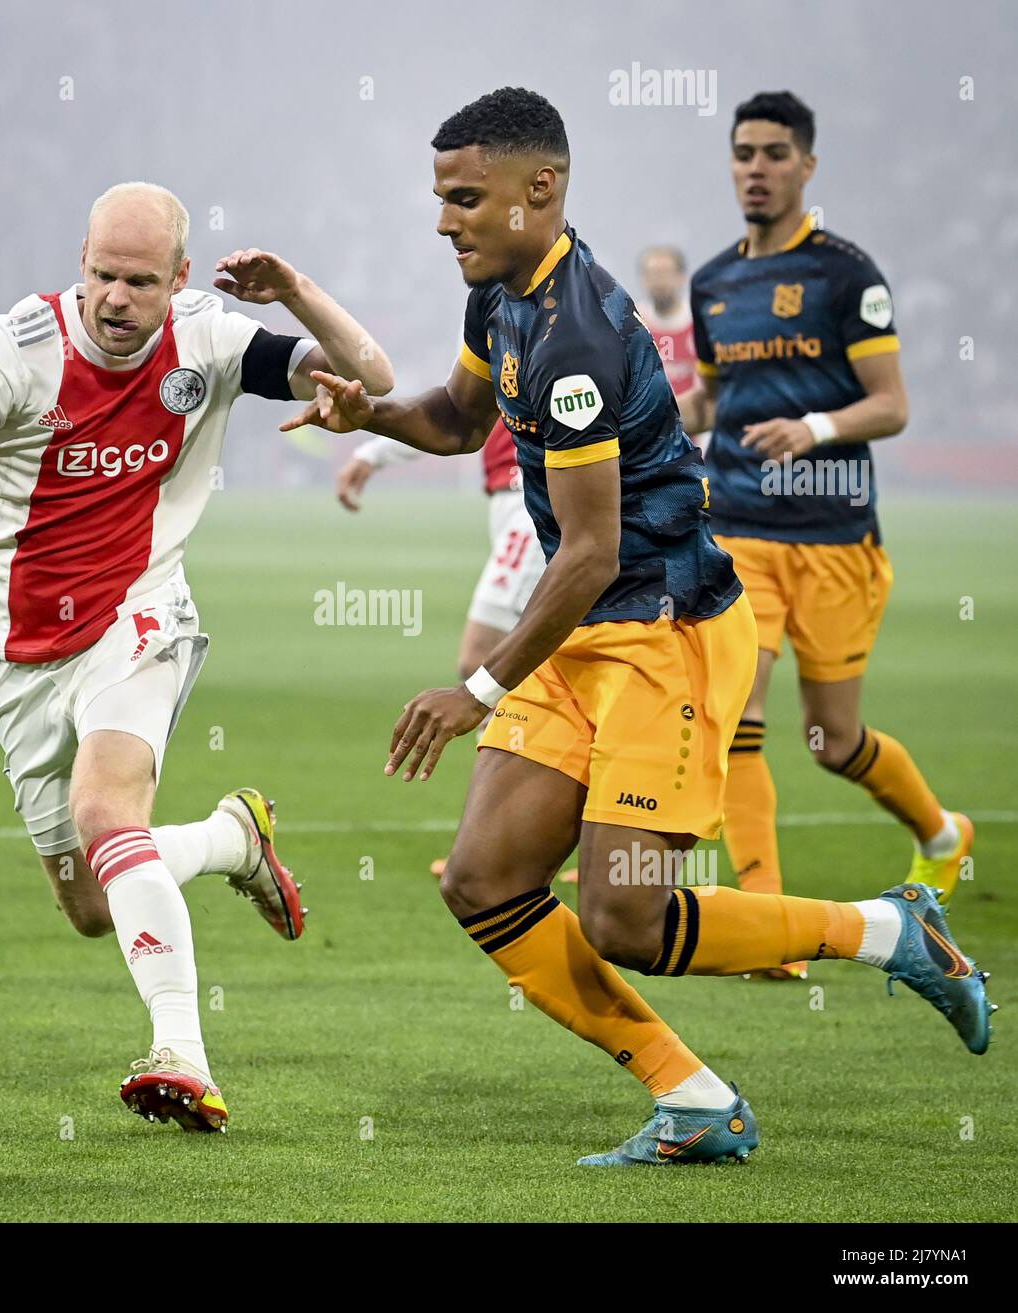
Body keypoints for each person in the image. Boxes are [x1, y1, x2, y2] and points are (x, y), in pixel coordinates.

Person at [283, 88, 993, 1166]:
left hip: (664, 633)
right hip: (582, 633)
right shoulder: (500, 294)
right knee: (484, 881)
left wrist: (473, 691)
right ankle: (693, 1096)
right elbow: (458, 416)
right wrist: (369, 413)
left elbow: (590, 551)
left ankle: (892, 930)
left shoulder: (574, 332)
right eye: (438, 197)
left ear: (541, 189)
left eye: (464, 198)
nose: (443, 221)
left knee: (627, 916)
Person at [0, 182, 393, 1134]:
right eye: (102, 276)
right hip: (20, 648)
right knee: (88, 903)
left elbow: (374, 372)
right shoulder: (14, 354)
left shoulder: (209, 338)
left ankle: (181, 1054)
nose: (117, 299)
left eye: (141, 281)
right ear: (81, 264)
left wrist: (294, 292)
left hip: (140, 610)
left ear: (181, 280)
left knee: (105, 809)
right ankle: (232, 839)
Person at [680, 92, 972, 985]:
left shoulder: (849, 276)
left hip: (838, 534)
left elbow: (892, 404)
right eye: (743, 153)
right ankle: (770, 922)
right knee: (738, 723)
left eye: (774, 153)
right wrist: (655, 428)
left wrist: (810, 429)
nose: (755, 169)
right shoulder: (713, 283)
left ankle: (942, 834)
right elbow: (710, 398)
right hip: (738, 531)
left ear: (807, 165)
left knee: (833, 741)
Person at [335, 419, 554, 879]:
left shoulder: (553, 348)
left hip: (535, 499)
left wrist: (371, 455)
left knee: (482, 660)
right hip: (515, 497)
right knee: (549, 673)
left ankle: (499, 843)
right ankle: (570, 834)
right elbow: (454, 413)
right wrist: (373, 453)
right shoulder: (499, 352)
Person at [635, 245, 698, 403]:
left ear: (681, 277)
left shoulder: (699, 320)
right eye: (652, 274)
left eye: (665, 274)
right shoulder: (632, 323)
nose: (659, 282)